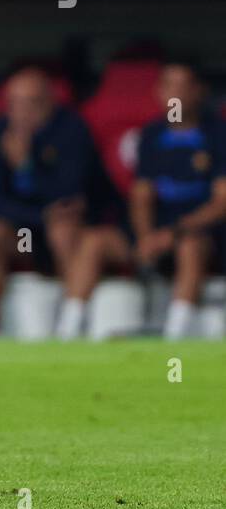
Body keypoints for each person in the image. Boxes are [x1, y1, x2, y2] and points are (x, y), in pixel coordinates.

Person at [61, 61, 226, 340]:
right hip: (153, 231)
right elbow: (142, 194)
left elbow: (222, 201)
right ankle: (67, 330)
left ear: (198, 91)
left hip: (199, 232)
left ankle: (176, 335)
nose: (174, 94)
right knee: (93, 242)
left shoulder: (218, 134)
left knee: (191, 247)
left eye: (182, 85)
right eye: (168, 86)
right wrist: (145, 236)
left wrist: (174, 231)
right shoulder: (151, 135)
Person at [0, 66, 116, 332]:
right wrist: (38, 217)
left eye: (32, 103)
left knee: (62, 229)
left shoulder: (72, 129)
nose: (23, 112)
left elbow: (69, 198)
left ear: (51, 102)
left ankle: (70, 324)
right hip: (26, 233)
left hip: (74, 232)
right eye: (15, 103)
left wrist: (26, 165)